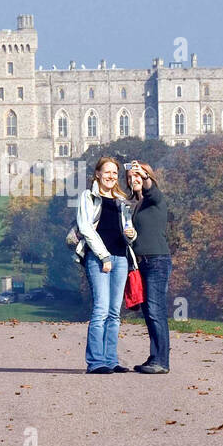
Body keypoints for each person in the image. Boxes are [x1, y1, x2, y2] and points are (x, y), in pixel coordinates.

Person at [74, 156, 137, 373]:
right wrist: (104, 256)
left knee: (114, 313)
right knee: (100, 310)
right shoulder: (88, 196)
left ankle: (111, 360)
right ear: (98, 174)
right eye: (107, 172)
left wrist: (132, 233)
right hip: (99, 258)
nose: (111, 176)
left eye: (114, 173)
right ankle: (95, 362)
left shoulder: (121, 199)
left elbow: (128, 228)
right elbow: (86, 228)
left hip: (120, 258)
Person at [125, 161, 171, 373]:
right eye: (130, 177)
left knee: (155, 311)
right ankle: (155, 357)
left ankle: (161, 361)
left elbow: (151, 190)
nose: (133, 180)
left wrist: (143, 175)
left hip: (157, 261)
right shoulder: (138, 206)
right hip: (142, 262)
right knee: (149, 312)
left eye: (137, 176)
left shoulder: (155, 199)